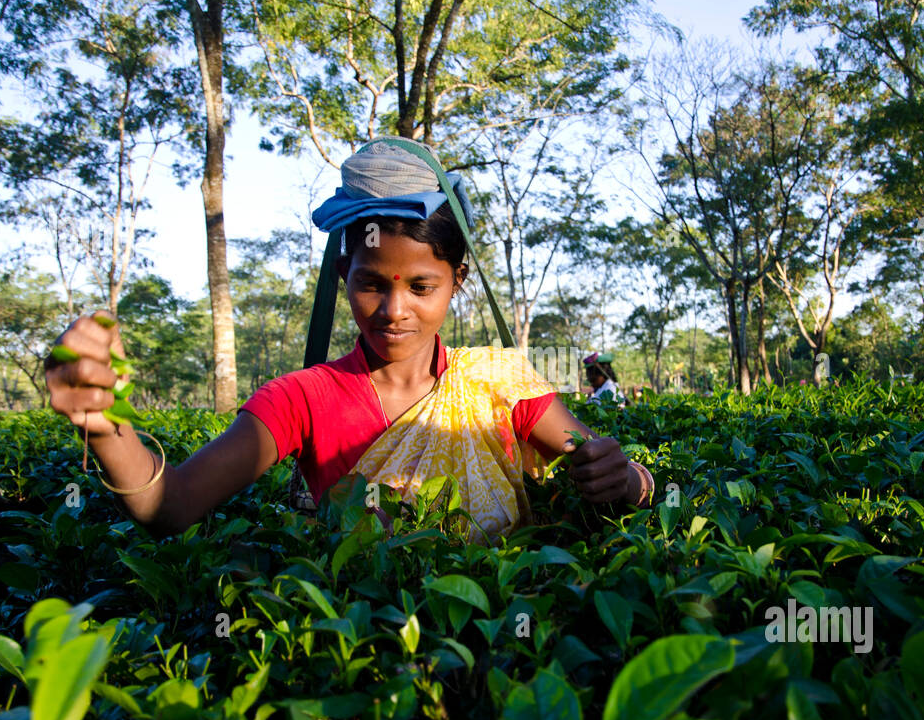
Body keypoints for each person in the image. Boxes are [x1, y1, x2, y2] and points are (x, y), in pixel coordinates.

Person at [43, 137, 655, 544]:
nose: (395, 311)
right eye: (371, 285)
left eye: (421, 286)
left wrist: (623, 480)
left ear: (456, 283)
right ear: (345, 278)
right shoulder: (301, 399)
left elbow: (616, 476)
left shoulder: (499, 378)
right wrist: (106, 427)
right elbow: (170, 506)